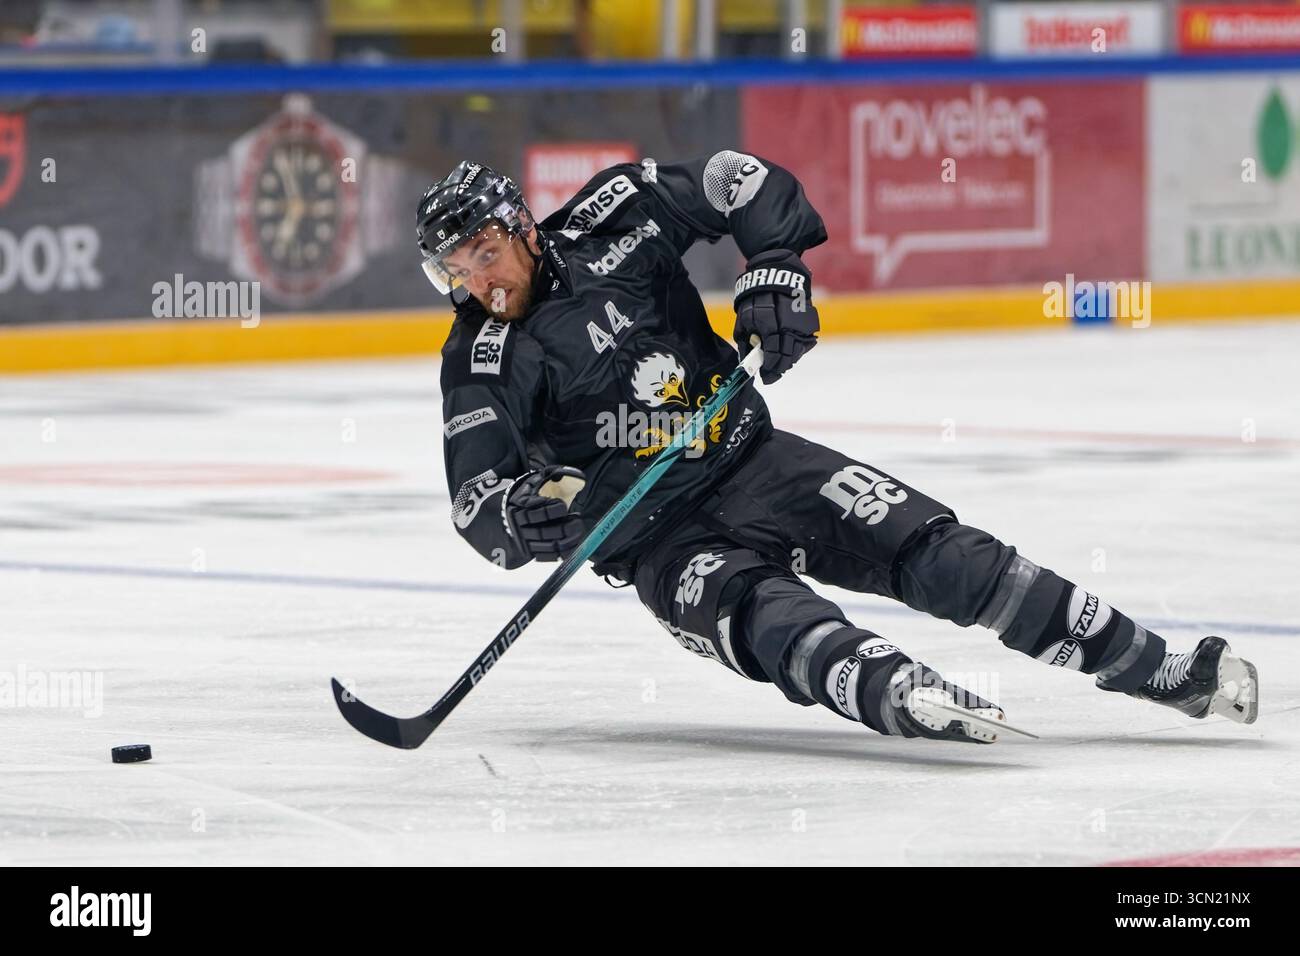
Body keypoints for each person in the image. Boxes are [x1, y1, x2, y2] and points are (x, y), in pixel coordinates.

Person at [418, 154, 1258, 744]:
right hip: (659, 543)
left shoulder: (615, 214)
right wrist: (520, 520)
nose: (480, 285)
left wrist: (776, 264)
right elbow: (475, 502)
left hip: (759, 462)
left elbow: (737, 182)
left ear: (523, 227)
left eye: (486, 254)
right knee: (766, 615)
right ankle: (892, 685)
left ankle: (1156, 666)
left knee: (952, 557)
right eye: (458, 273)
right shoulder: (479, 357)